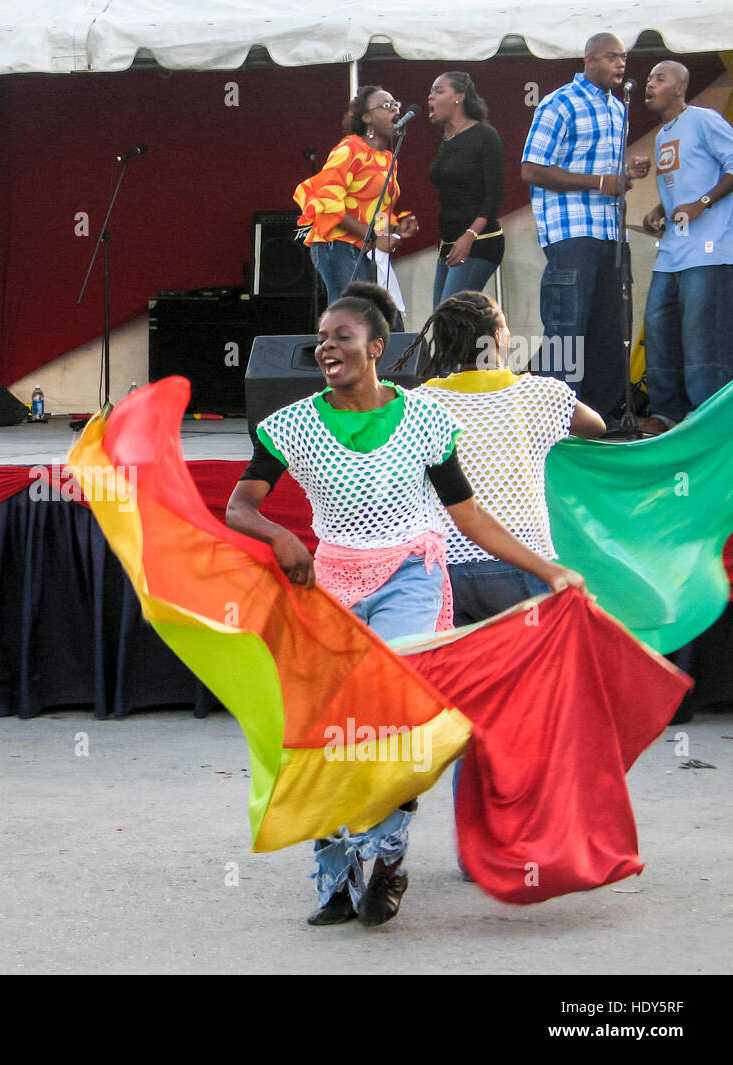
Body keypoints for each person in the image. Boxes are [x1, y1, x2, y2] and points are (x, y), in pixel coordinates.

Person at [225, 282, 585, 928]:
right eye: (323, 337)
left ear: (376, 348)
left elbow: (469, 517)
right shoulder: (295, 425)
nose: (327, 346)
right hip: (332, 584)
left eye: (342, 336)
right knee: (328, 729)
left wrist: (548, 569)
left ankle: (388, 861)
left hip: (413, 580)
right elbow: (240, 505)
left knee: (393, 721)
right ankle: (334, 871)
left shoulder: (425, 421)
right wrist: (281, 536)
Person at [403, 291, 606, 625]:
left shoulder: (420, 403)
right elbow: (595, 426)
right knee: (536, 669)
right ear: (498, 337)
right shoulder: (541, 393)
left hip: (444, 568)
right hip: (521, 559)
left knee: (467, 674)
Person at [520, 32, 652, 419]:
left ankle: (601, 419)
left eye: (624, 58)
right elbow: (531, 168)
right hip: (571, 233)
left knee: (610, 332)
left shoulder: (618, 109)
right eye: (612, 57)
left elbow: (604, 173)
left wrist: (626, 173)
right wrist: (599, 182)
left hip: (611, 233)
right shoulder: (559, 103)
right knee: (567, 330)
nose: (621, 65)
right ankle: (556, 422)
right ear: (589, 60)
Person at [638, 60, 733, 434]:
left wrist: (703, 204)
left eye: (659, 79)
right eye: (649, 78)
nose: (649, 84)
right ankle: (666, 412)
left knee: (701, 335)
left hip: (710, 250)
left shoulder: (704, 119)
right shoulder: (663, 135)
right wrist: (660, 209)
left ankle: (707, 417)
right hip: (673, 252)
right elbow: (685, 185)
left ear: (679, 88)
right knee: (659, 329)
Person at [294, 86, 419, 306]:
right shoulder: (350, 149)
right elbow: (327, 200)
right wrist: (373, 237)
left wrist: (394, 230)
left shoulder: (389, 159)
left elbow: (374, 209)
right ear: (367, 118)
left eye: (395, 104)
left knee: (383, 320)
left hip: (366, 249)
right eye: (386, 105)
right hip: (338, 245)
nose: (395, 110)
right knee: (353, 316)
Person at [427, 72, 505, 306]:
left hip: (480, 241)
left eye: (439, 91)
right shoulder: (447, 138)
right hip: (450, 243)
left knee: (449, 316)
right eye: (430, 92)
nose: (430, 97)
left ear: (459, 98)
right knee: (441, 320)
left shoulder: (484, 135)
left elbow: (494, 195)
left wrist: (470, 235)